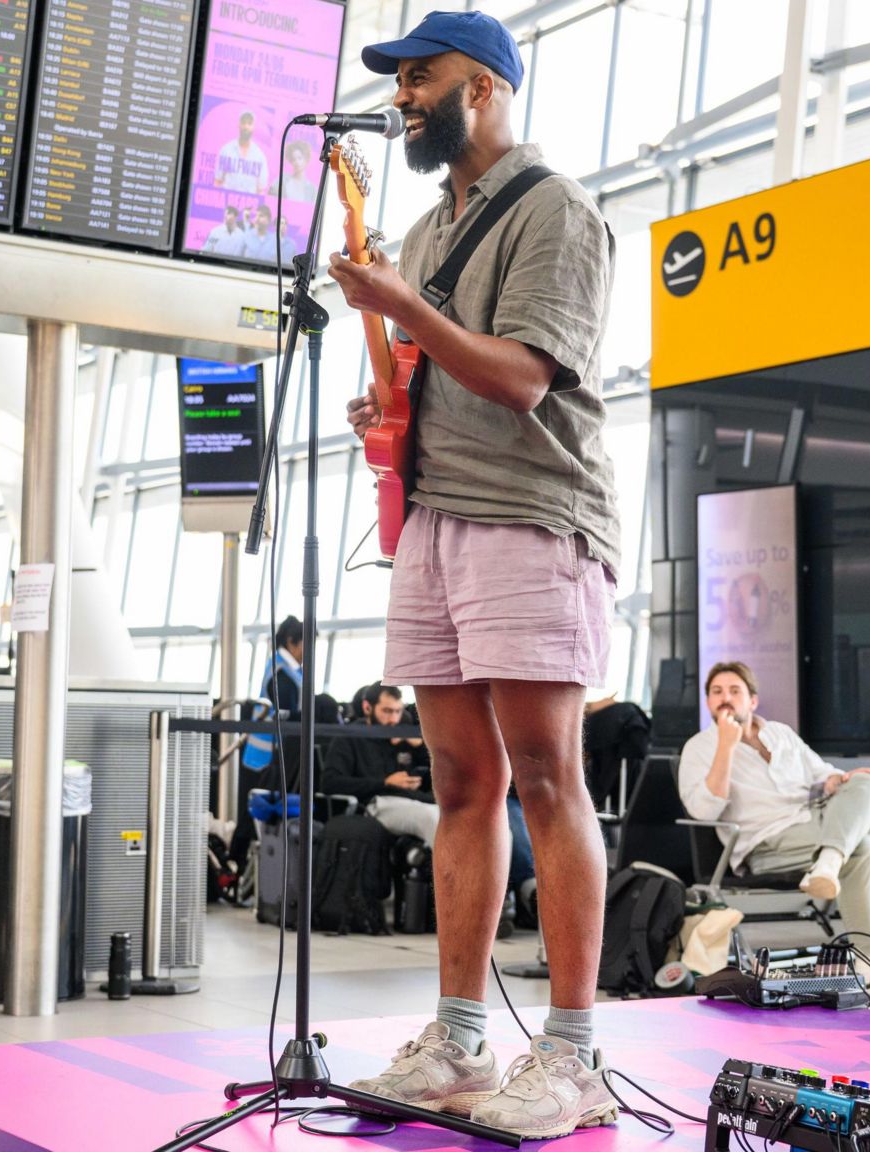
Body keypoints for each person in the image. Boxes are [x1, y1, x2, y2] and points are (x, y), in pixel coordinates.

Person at [331, 10, 621, 1137]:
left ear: (485, 88)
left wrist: (401, 307)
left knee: (547, 775)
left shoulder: (557, 211)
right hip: (436, 521)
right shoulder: (420, 230)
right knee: (461, 784)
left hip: (532, 520)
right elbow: (439, 377)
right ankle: (459, 1040)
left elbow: (521, 379)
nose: (403, 96)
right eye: (398, 79)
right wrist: (386, 404)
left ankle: (574, 1054)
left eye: (422, 77)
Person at [677, 662, 870, 948]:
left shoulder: (779, 733)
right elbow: (704, 812)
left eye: (734, 691)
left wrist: (836, 780)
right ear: (708, 702)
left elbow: (822, 773)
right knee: (862, 847)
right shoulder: (698, 748)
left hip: (813, 821)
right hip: (766, 843)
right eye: (717, 692)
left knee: (866, 781)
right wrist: (726, 747)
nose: (725, 698)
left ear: (752, 701)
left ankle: (829, 859)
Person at [230, 616, 307, 868]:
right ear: (291, 641)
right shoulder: (281, 672)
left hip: (274, 752)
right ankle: (236, 864)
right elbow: (287, 712)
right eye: (306, 644)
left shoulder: (291, 670)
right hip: (267, 754)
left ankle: (238, 864)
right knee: (253, 812)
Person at [321, 684, 437, 843]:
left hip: (414, 798)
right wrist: (385, 783)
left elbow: (436, 772)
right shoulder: (349, 738)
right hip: (376, 803)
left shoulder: (403, 736)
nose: (394, 719)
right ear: (367, 707)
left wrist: (419, 746)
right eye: (387, 711)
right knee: (431, 818)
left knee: (454, 816)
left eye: (398, 711)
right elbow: (330, 782)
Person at [216, 110, 270, 194]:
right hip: (226, 200)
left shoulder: (260, 156)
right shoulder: (226, 150)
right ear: (239, 125)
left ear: (253, 127)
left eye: (249, 123)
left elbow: (260, 190)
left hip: (249, 202)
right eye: (243, 122)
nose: (246, 126)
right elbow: (217, 181)